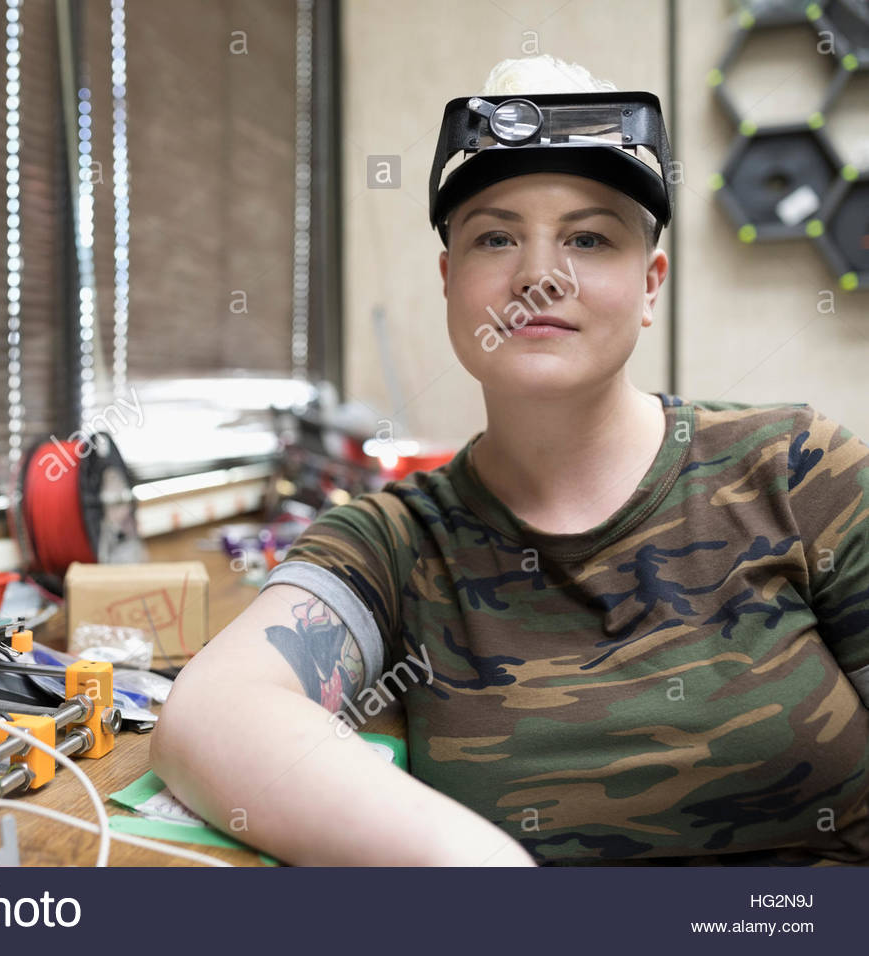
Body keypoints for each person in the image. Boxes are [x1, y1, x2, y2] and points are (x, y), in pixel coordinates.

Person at [150, 55, 869, 866]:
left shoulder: (799, 468)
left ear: (650, 285)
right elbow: (214, 712)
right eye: (497, 236)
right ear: (452, 280)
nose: (539, 276)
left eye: (589, 238)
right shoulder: (396, 542)